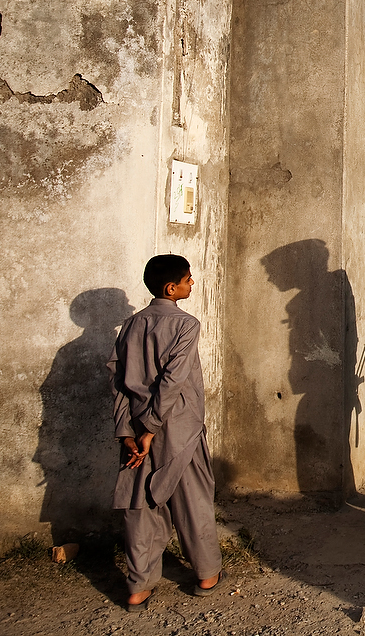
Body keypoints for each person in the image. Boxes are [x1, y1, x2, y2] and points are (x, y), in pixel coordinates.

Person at [108, 254, 223, 610]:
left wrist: (128, 432)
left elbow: (118, 383)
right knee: (192, 499)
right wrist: (152, 428)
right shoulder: (186, 324)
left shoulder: (129, 326)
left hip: (138, 428)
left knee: (139, 504)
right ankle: (206, 573)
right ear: (171, 288)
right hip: (178, 427)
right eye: (188, 279)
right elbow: (173, 380)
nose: (192, 283)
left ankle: (138, 586)